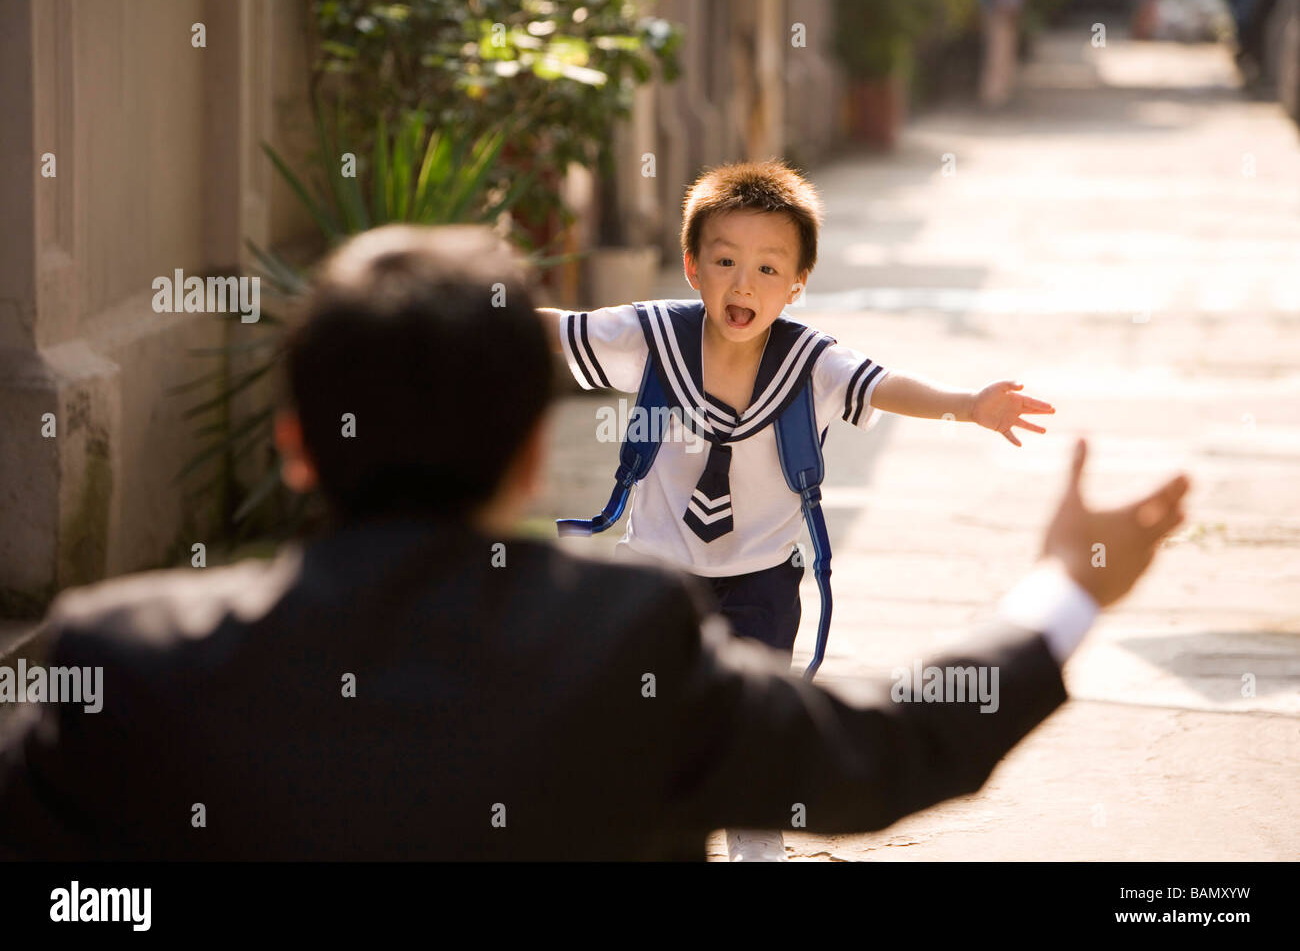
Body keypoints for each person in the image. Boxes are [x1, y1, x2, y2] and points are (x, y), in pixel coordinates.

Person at [0, 225, 1188, 861]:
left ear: (296, 441)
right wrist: (1064, 589)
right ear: (532, 455)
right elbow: (889, 750)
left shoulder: (115, 658)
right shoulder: (626, 643)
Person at [538, 159, 1054, 859]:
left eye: (768, 268)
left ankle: (756, 836)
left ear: (797, 284)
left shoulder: (810, 364)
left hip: (760, 582)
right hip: (656, 577)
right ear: (692, 268)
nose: (744, 283)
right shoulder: (651, 338)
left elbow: (883, 387)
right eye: (725, 261)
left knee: (752, 726)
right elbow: (559, 333)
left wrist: (966, 405)